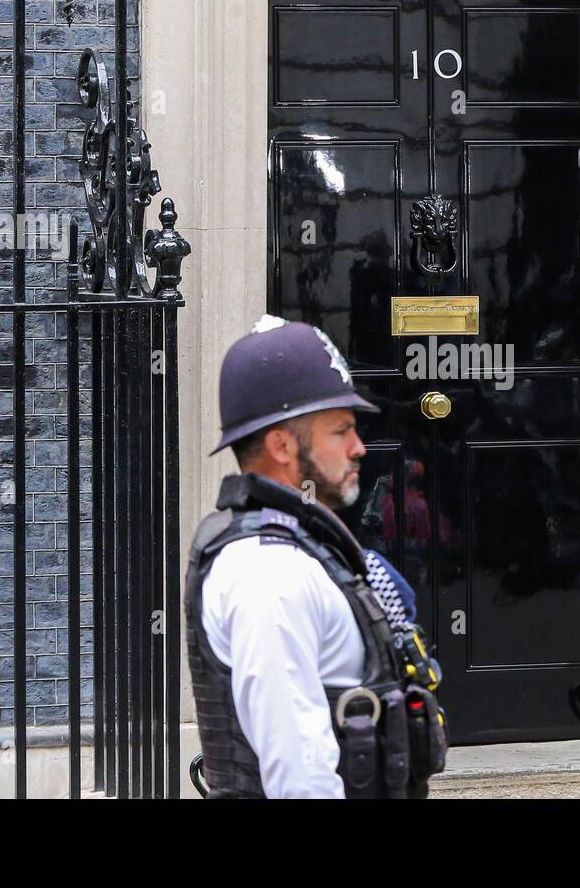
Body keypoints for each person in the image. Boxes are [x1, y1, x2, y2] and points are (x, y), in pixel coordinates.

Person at [184, 315, 446, 799]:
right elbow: (300, 774)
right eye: (340, 430)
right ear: (281, 444)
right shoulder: (269, 575)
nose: (359, 447)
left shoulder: (304, 547)